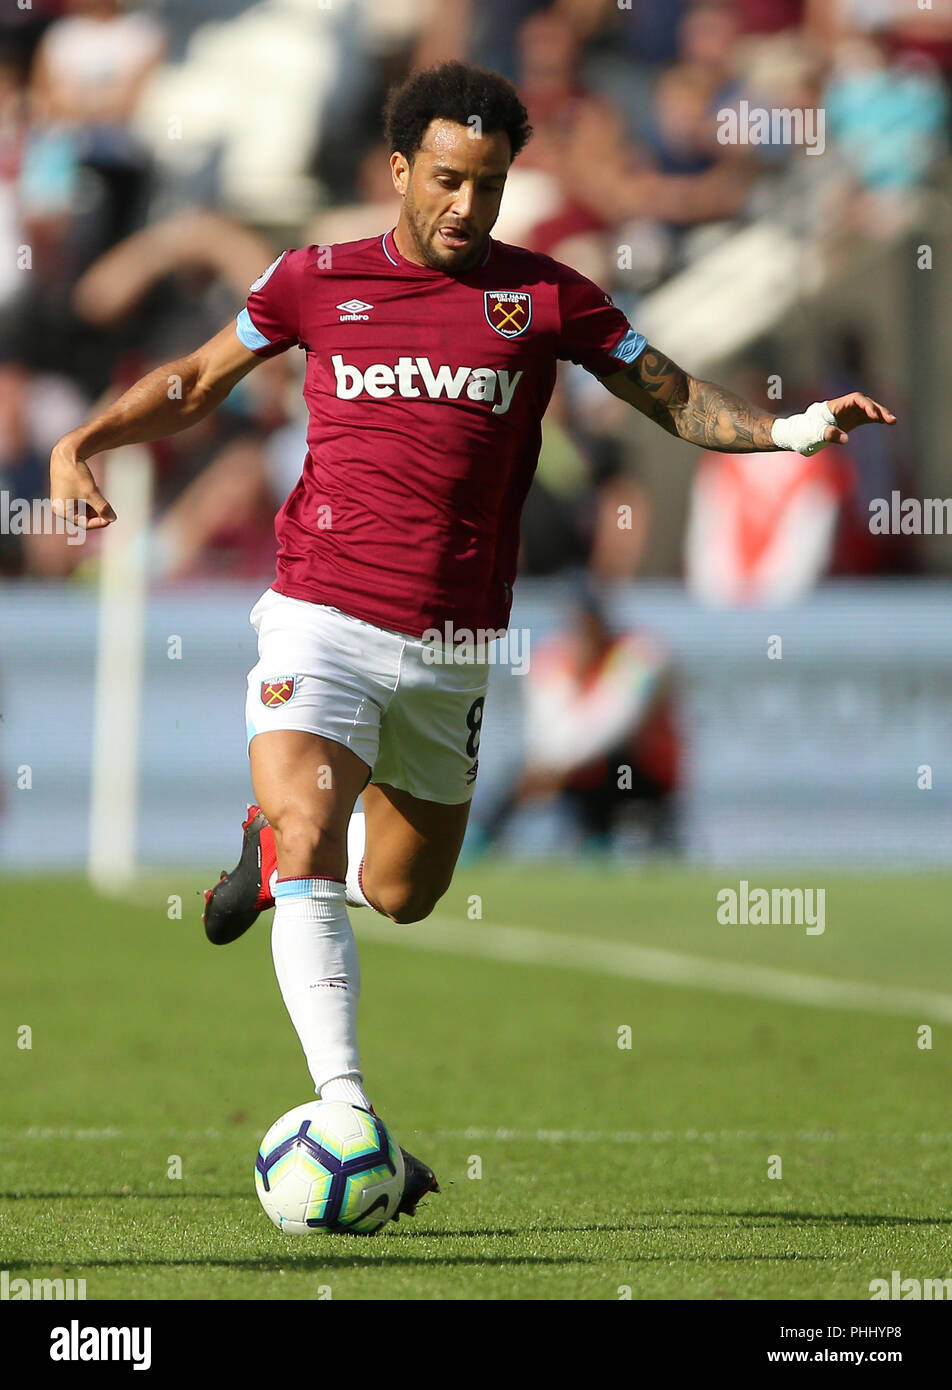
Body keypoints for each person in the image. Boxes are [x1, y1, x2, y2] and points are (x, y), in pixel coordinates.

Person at [48, 60, 896, 1224]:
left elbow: (666, 394)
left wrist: (792, 429)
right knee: (309, 830)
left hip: (452, 648)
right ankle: (345, 1107)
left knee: (401, 893)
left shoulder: (546, 299)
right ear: (399, 170)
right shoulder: (315, 279)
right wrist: (83, 442)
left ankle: (279, 845)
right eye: (447, 179)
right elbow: (196, 377)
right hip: (320, 615)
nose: (466, 206)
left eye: (488, 186)